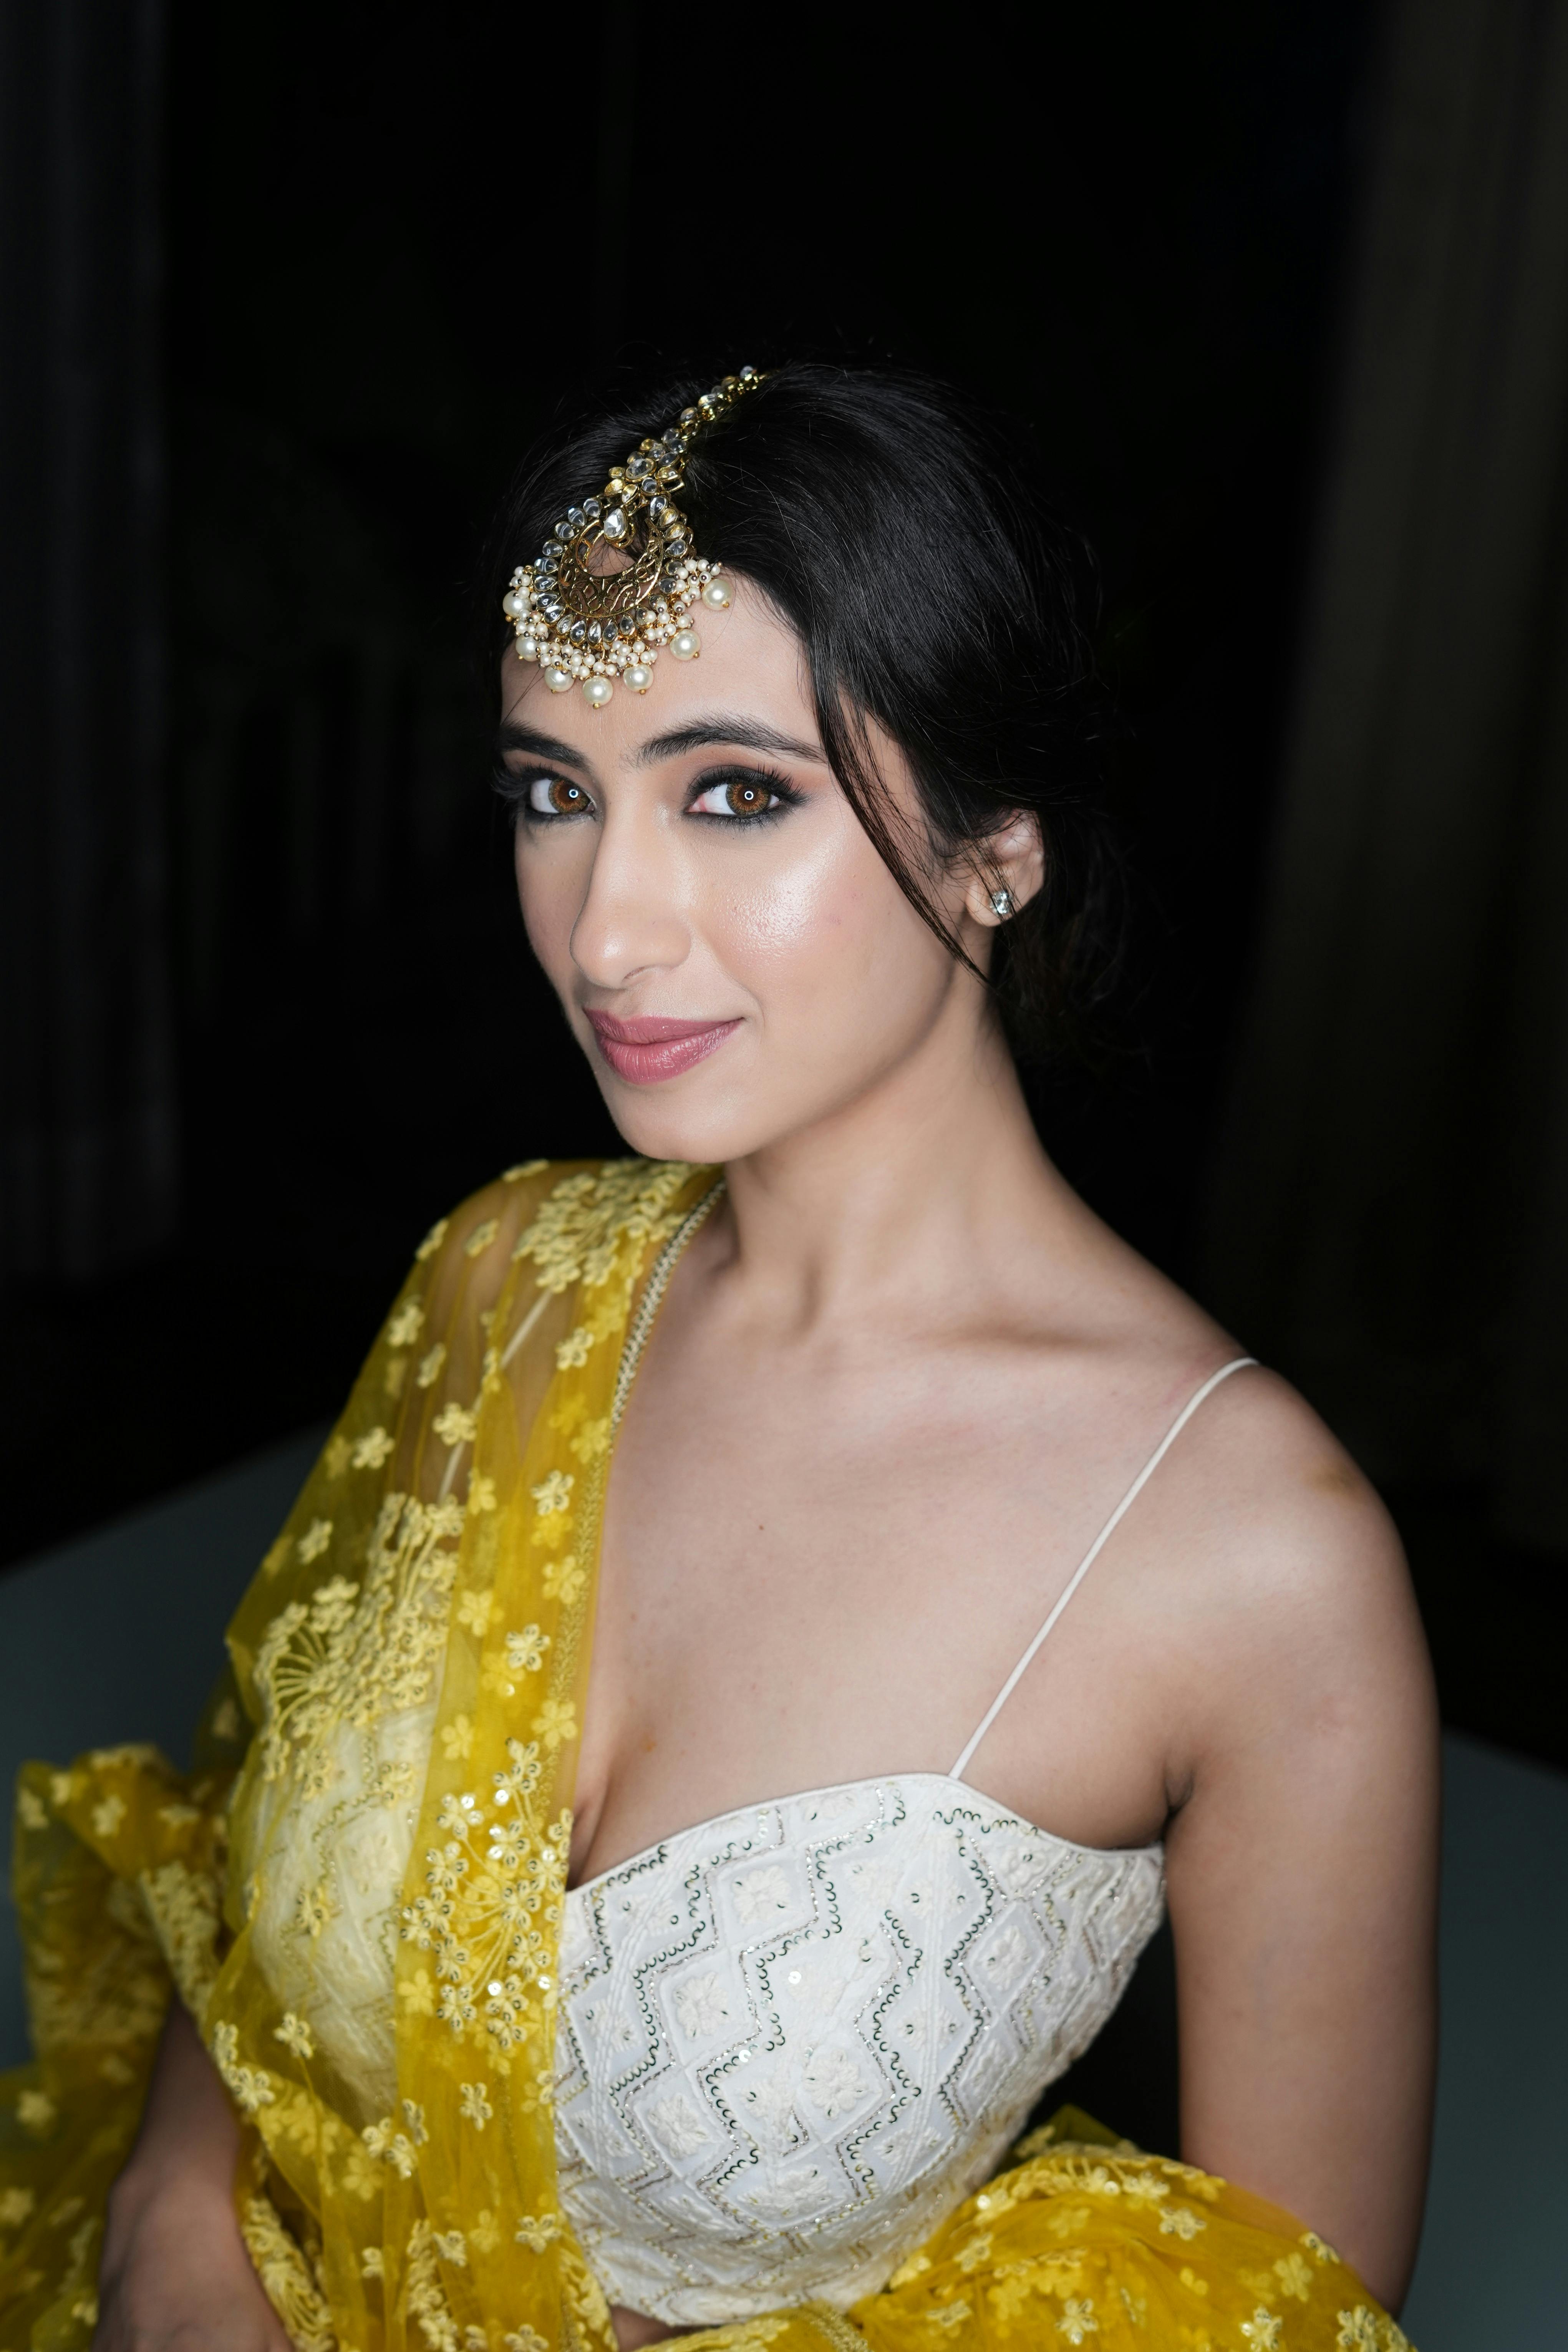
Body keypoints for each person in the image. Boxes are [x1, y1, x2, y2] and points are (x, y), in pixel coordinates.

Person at [0, 365, 1437, 2352]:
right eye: (549, 794)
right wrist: (172, 2216)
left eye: (734, 794)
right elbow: (248, 1853)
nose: (603, 929)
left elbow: (1280, 2315)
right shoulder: (508, 1283)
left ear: (994, 847)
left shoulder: (1253, 1559)